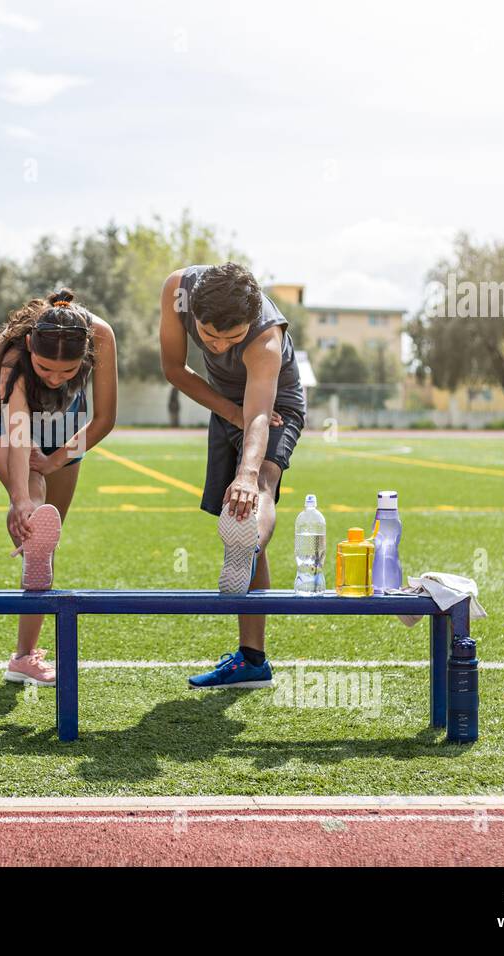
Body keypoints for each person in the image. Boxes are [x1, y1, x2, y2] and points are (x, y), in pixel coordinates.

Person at [158, 263, 307, 689]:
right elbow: (174, 368)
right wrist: (228, 412)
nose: (220, 346)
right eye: (209, 337)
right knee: (243, 520)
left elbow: (260, 414)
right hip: (225, 403)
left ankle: (248, 540)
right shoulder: (177, 290)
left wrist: (245, 474)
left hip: (276, 409)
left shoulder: (265, 338)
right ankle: (252, 660)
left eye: (232, 338)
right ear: (195, 313)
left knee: (259, 487)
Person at [0, 289, 118, 686]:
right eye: (45, 369)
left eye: (68, 372)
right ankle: (30, 515)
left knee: (44, 547)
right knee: (34, 498)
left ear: (86, 353)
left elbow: (105, 418)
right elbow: (18, 433)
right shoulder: (12, 360)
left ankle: (23, 657)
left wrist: (58, 460)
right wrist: (19, 497)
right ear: (28, 347)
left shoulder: (102, 335)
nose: (55, 378)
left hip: (65, 427)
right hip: (4, 422)